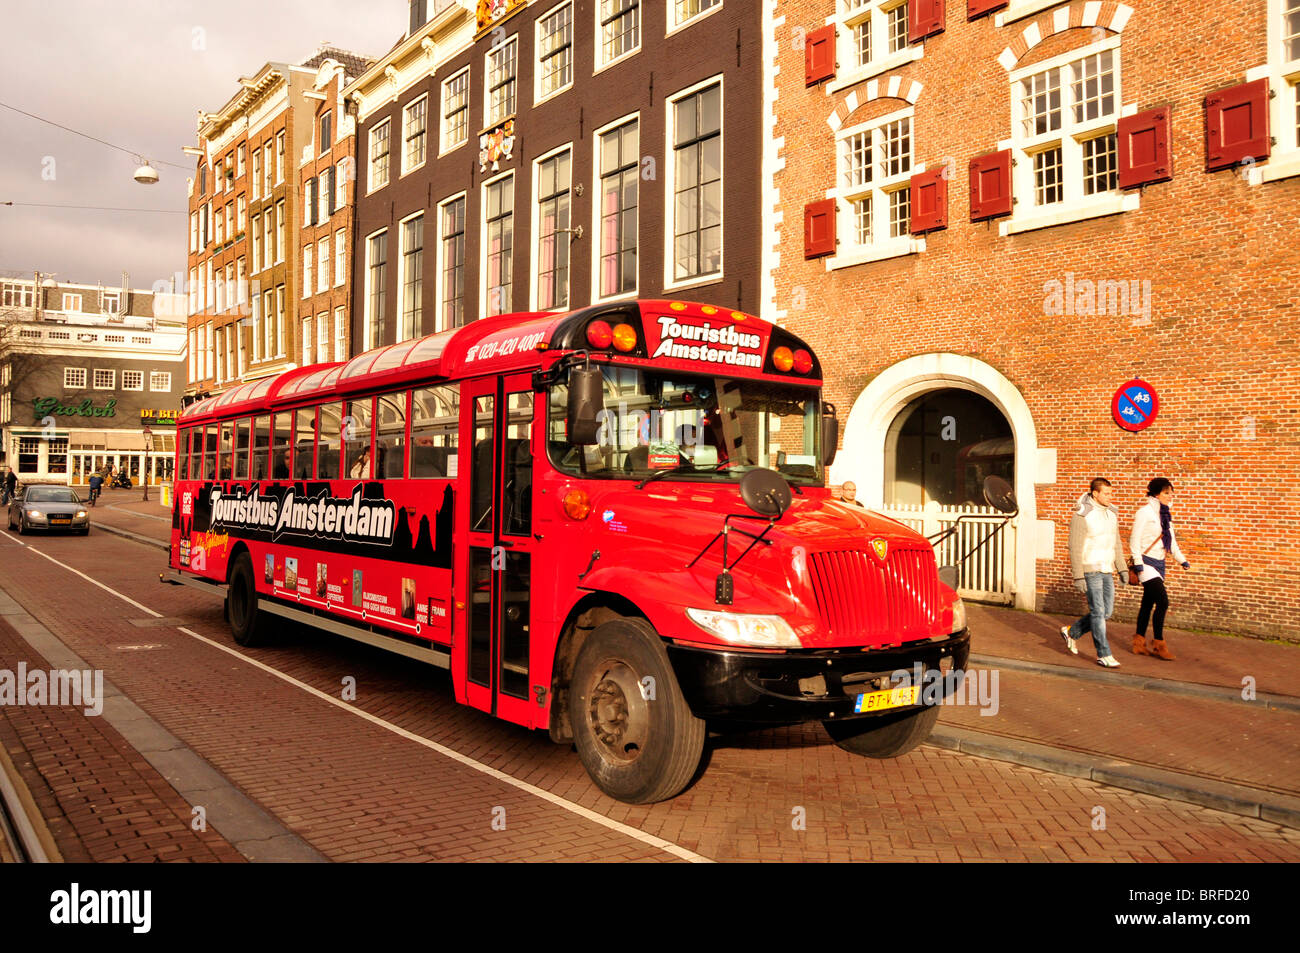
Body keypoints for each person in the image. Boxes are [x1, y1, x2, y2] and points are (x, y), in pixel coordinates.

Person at [1063, 477, 1128, 667]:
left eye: (1111, 492)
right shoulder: (1082, 515)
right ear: (1095, 494)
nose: (1110, 496)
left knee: (1106, 612)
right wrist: (1078, 576)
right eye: (1106, 493)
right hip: (1090, 569)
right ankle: (1103, 654)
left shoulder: (1111, 514)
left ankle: (1072, 632)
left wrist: (1122, 568)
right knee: (1098, 612)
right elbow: (1074, 547)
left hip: (1107, 569)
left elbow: (1116, 543)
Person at [1130, 477, 1190, 660]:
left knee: (1147, 604)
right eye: (1166, 492)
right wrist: (1138, 562)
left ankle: (1138, 643)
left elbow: (1171, 542)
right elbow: (1134, 539)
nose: (1171, 496)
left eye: (1171, 492)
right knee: (1163, 602)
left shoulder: (1166, 514)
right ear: (1156, 494)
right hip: (1146, 563)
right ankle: (1159, 644)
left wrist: (1182, 560)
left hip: (1160, 563)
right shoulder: (1144, 512)